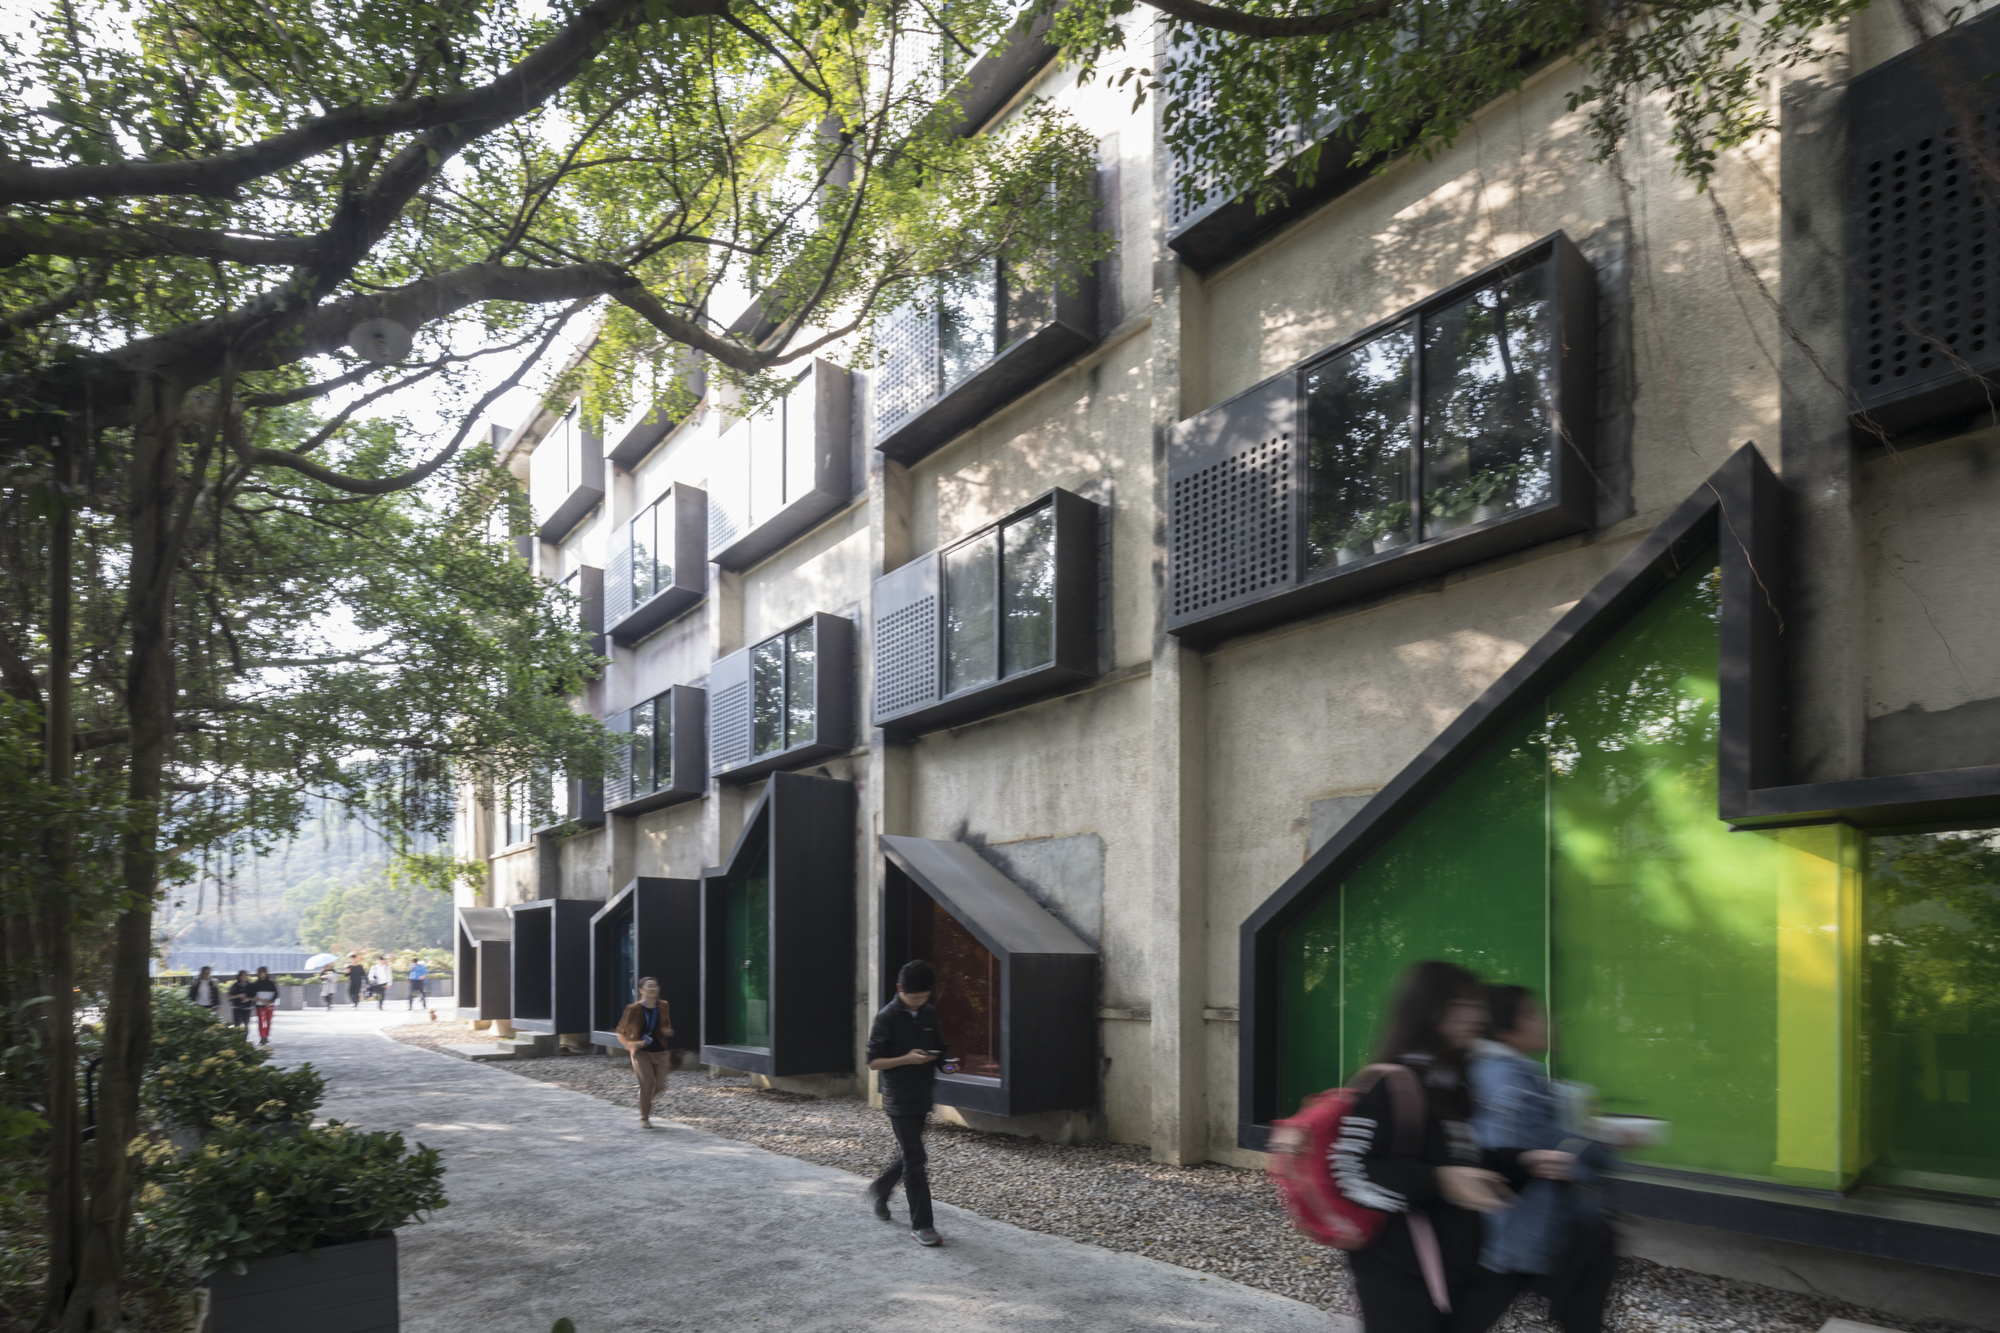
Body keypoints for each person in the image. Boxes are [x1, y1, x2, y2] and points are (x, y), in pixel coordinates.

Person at [1333, 960, 1573, 1333]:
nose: (1478, 1015)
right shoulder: (1391, 1082)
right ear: (1430, 1010)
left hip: (1453, 1266)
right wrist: (1439, 1180)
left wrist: (1523, 1162)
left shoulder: (1454, 1082)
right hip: (1397, 1272)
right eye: (1465, 1004)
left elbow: (1462, 1158)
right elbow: (1352, 1173)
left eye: (1476, 1004)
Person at [1467, 986, 1619, 1333]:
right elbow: (1540, 1148)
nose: (1545, 1022)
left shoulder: (1503, 1071)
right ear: (1505, 1029)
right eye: (1531, 1014)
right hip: (1532, 1220)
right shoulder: (1509, 1079)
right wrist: (1605, 1144)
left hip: (1525, 1219)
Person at [865, 959, 951, 1248]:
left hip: (922, 1095)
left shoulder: (929, 1013)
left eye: (924, 998)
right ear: (900, 989)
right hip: (898, 1098)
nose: (918, 1003)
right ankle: (922, 1225)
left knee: (912, 1155)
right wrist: (906, 1058)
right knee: (916, 1161)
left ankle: (881, 1187)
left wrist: (946, 1063)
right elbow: (874, 1062)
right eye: (913, 998)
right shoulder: (886, 1017)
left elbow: (941, 1048)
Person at [614, 976, 674, 1128]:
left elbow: (666, 1023)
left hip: (660, 1051)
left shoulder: (664, 1005)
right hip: (641, 1052)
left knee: (660, 1086)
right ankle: (644, 1117)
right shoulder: (633, 1009)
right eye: (649, 986)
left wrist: (667, 1031)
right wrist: (632, 1045)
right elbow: (620, 1032)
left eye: (655, 986)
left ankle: (644, 1099)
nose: (653, 988)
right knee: (647, 1085)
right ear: (641, 990)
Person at [250, 966, 281, 1045]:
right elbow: (253, 994)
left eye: (263, 972)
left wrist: (270, 1001)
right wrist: (261, 1000)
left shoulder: (271, 983)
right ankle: (262, 1037)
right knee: (261, 1021)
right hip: (260, 1005)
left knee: (268, 1021)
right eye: (260, 972)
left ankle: (266, 1035)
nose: (262, 974)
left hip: (270, 1005)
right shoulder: (255, 984)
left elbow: (276, 993)